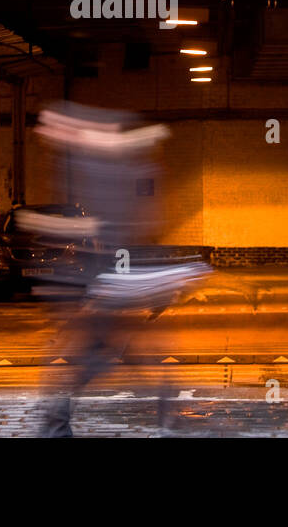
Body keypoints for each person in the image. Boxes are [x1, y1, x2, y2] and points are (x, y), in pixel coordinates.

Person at [29, 102, 209, 437]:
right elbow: (127, 226)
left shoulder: (100, 169)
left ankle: (56, 426)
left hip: (107, 287)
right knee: (119, 356)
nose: (43, 133)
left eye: (50, 126)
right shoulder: (107, 168)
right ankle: (168, 416)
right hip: (108, 288)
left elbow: (113, 229)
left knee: (101, 358)